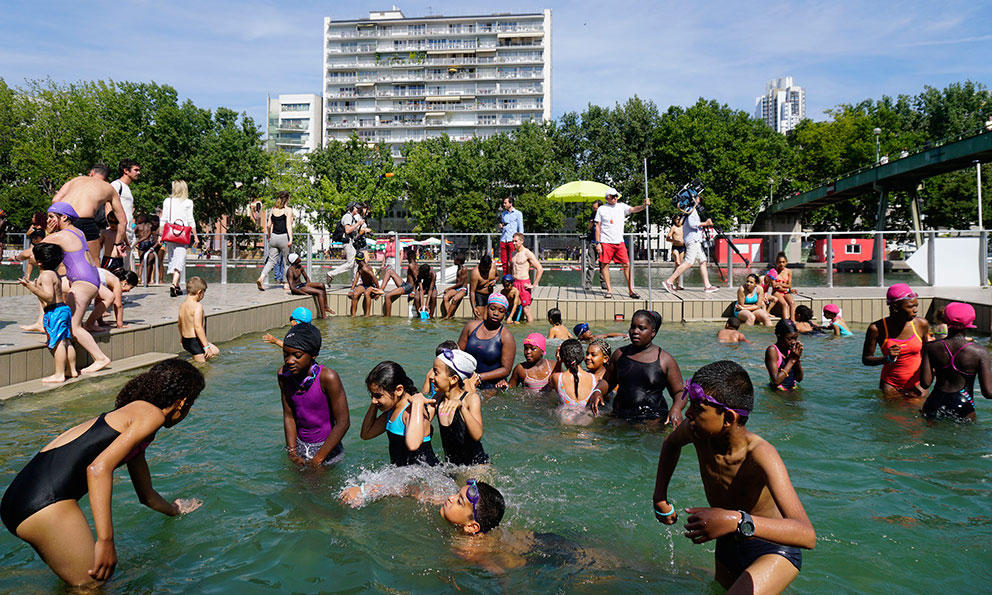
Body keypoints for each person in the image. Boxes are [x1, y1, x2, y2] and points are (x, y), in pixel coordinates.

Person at [0, 359, 205, 587]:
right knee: (92, 587)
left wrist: (176, 510)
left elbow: (146, 495)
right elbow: (98, 469)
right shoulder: (151, 415)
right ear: (182, 402)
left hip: (18, 499)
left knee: (85, 585)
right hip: (45, 504)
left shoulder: (131, 418)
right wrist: (105, 541)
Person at [652, 360, 816, 594]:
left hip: (772, 550)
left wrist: (736, 520)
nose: (688, 413)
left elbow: (806, 534)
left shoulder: (761, 454)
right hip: (729, 540)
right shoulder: (696, 430)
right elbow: (670, 444)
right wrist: (660, 495)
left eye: (698, 408)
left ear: (728, 418)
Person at [41, 203, 110, 373]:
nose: (48, 220)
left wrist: (48, 234)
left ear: (63, 217)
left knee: (74, 325)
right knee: (46, 287)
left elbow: (38, 251)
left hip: (82, 282)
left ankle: (100, 358)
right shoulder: (79, 232)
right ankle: (42, 323)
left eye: (51, 217)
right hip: (89, 279)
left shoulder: (62, 235)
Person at [591, 310, 686, 424]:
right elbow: (607, 381)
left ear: (653, 332)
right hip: (621, 417)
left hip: (652, 420)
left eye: (641, 328)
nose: (635, 331)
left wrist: (676, 409)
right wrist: (597, 391)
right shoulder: (620, 354)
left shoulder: (665, 360)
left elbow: (680, 392)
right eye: (633, 327)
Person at [278, 323, 350, 466]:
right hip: (299, 446)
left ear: (313, 355)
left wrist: (318, 459)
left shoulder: (328, 378)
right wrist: (292, 452)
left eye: (297, 356)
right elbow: (289, 415)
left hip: (327, 449)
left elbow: (343, 423)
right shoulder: (283, 374)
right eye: (285, 355)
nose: (289, 361)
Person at [919, 303, 991, 421]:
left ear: (946, 320)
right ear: (971, 323)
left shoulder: (930, 348)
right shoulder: (980, 352)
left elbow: (925, 383)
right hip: (963, 404)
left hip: (934, 402)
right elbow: (988, 393)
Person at [360, 361, 440, 467]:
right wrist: (375, 401)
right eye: (372, 395)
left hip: (426, 477)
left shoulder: (411, 411)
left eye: (378, 395)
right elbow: (366, 434)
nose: (373, 400)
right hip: (405, 476)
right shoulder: (392, 410)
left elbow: (413, 445)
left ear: (398, 390)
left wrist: (417, 403)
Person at [18, 243, 77, 383]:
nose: (29, 256)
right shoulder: (53, 273)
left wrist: (31, 288)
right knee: (66, 341)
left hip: (54, 312)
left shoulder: (45, 275)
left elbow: (49, 297)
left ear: (39, 262)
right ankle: (72, 370)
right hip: (63, 309)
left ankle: (59, 374)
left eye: (32, 255)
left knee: (58, 343)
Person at [862, 283, 930, 398]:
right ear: (895, 307)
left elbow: (928, 354)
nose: (915, 310)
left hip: (918, 385)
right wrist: (887, 358)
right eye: (910, 307)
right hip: (891, 385)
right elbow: (866, 359)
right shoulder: (877, 328)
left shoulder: (921, 324)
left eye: (916, 306)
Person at [51, 172, 128, 265]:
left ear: (91, 173)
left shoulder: (75, 180)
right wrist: (118, 243)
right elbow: (123, 221)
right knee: (94, 261)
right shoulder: (108, 187)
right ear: (106, 179)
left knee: (64, 262)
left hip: (65, 219)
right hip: (85, 220)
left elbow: (55, 200)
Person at [431, 348, 489, 465]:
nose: (431, 376)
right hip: (453, 467)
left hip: (476, 466)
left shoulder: (470, 399)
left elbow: (477, 435)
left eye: (436, 372)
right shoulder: (437, 399)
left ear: (453, 379)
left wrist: (462, 407)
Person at [594, 189, 649, 298]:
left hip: (619, 241)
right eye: (612, 196)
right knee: (605, 265)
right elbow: (598, 227)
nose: (615, 198)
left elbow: (633, 209)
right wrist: (598, 243)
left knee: (627, 264)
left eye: (616, 196)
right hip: (606, 241)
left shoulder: (621, 206)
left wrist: (643, 206)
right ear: (607, 198)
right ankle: (609, 290)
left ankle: (631, 290)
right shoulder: (602, 209)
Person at [458, 293, 516, 390]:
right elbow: (458, 354)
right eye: (492, 309)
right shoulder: (471, 327)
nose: (496, 313)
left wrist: (479, 377)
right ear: (486, 308)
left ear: (505, 314)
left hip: (491, 385)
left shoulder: (506, 337)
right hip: (467, 380)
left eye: (501, 311)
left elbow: (506, 370)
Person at [663, 190, 716, 293]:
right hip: (693, 240)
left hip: (695, 240)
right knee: (688, 262)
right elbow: (692, 224)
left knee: (703, 261)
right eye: (699, 199)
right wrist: (705, 223)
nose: (699, 201)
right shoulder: (691, 210)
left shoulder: (689, 210)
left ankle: (707, 285)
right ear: (694, 199)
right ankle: (669, 281)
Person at [161, 181, 198, 298]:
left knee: (173, 258)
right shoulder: (188, 202)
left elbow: (164, 219)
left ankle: (176, 286)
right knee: (180, 259)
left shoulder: (168, 201)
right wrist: (195, 236)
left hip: (170, 233)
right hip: (183, 234)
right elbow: (190, 220)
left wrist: (161, 235)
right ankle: (173, 284)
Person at [551, 338, 599, 422]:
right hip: (587, 421)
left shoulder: (557, 378)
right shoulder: (595, 379)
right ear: (582, 356)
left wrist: (559, 362)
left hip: (565, 421)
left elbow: (550, 384)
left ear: (563, 358)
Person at [256, 191, 294, 291]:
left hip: (274, 237)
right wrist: (290, 239)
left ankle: (262, 277)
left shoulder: (273, 209)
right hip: (283, 238)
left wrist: (269, 235)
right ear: (287, 199)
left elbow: (268, 225)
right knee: (286, 261)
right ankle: (286, 284)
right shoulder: (288, 210)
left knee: (271, 261)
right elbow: (288, 225)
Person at [177, 276, 220, 363]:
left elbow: (179, 323)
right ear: (199, 292)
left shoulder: (182, 305)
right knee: (202, 368)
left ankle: (192, 359)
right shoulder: (197, 306)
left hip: (186, 340)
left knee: (215, 351)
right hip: (195, 341)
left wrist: (181, 336)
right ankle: (193, 362)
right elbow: (198, 327)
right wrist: (206, 347)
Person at [327, 202, 370, 282]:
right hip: (347, 242)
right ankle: (331, 274)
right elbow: (347, 230)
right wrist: (358, 224)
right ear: (351, 208)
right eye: (356, 208)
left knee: (356, 261)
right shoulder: (347, 217)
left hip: (350, 242)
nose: (358, 209)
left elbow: (353, 230)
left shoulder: (351, 217)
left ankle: (355, 281)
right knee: (351, 263)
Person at [286, 253, 335, 318]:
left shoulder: (300, 267)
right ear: (295, 260)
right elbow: (292, 287)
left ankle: (326, 307)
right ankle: (324, 316)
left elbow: (307, 278)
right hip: (297, 288)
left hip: (302, 285)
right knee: (320, 292)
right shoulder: (290, 271)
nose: (299, 258)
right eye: (298, 257)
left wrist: (310, 286)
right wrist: (304, 293)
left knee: (321, 285)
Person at [509, 232, 543, 323]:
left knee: (526, 309)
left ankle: (530, 329)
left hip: (524, 283)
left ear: (522, 241)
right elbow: (510, 269)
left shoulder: (527, 253)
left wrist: (533, 285)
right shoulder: (513, 254)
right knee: (512, 307)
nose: (514, 243)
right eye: (513, 241)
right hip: (514, 283)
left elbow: (540, 268)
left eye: (516, 241)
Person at [110, 159, 140, 257]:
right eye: (136, 170)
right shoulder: (116, 185)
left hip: (127, 232)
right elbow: (108, 206)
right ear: (126, 171)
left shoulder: (127, 188)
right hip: (119, 232)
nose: (138, 173)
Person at [766, 319, 803, 390]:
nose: (793, 342)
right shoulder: (772, 350)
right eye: (790, 338)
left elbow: (799, 378)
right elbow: (776, 381)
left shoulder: (791, 350)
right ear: (779, 336)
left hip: (792, 389)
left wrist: (797, 359)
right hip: (778, 392)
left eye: (795, 338)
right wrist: (792, 360)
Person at [348, 252, 383, 317]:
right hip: (364, 285)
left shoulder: (365, 268)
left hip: (371, 285)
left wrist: (378, 290)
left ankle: (367, 314)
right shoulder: (360, 267)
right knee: (355, 294)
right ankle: (353, 315)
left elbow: (374, 278)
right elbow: (356, 278)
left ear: (357, 261)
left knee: (367, 294)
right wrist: (352, 289)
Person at [583, 200, 607, 290]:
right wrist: (591, 223)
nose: (594, 210)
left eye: (595, 208)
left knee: (603, 264)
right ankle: (588, 284)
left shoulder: (604, 215)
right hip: (592, 242)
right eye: (593, 208)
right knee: (591, 264)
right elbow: (589, 228)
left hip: (602, 242)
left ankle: (603, 283)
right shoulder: (592, 215)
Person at [498, 196, 524, 276]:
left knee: (512, 260)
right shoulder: (504, 214)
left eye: (505, 203)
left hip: (512, 240)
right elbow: (503, 226)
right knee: (504, 261)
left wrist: (520, 240)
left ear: (511, 203)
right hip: (503, 239)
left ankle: (513, 277)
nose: (504, 204)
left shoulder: (518, 214)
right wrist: (501, 226)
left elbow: (521, 228)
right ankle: (506, 278)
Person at [766, 252, 796, 320]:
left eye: (783, 262)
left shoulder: (789, 271)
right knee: (784, 304)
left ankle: (792, 321)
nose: (781, 264)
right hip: (776, 292)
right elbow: (774, 286)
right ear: (776, 263)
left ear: (786, 262)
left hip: (785, 291)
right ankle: (786, 321)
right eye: (779, 262)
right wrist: (785, 287)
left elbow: (789, 285)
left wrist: (780, 284)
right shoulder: (773, 272)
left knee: (792, 303)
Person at [441, 253, 470, 320]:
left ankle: (447, 317)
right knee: (445, 297)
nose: (453, 261)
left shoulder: (464, 269)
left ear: (458, 261)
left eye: (455, 260)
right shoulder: (458, 268)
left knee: (455, 299)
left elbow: (461, 283)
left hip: (463, 289)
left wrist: (449, 288)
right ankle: (449, 315)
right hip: (457, 288)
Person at [469, 254, 497, 319]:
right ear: (481, 265)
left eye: (488, 268)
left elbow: (497, 276)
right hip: (479, 295)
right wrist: (473, 308)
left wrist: (494, 281)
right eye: (485, 268)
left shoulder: (493, 267)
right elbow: (472, 291)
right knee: (479, 318)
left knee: (489, 318)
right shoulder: (475, 273)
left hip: (490, 295)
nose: (487, 270)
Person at [665, 214, 686, 290]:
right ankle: (671, 281)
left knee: (678, 267)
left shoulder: (684, 227)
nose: (679, 221)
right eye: (677, 219)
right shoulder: (673, 228)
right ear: (674, 220)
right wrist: (675, 240)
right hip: (675, 247)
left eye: (680, 219)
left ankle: (676, 283)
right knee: (677, 263)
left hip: (682, 247)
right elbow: (667, 238)